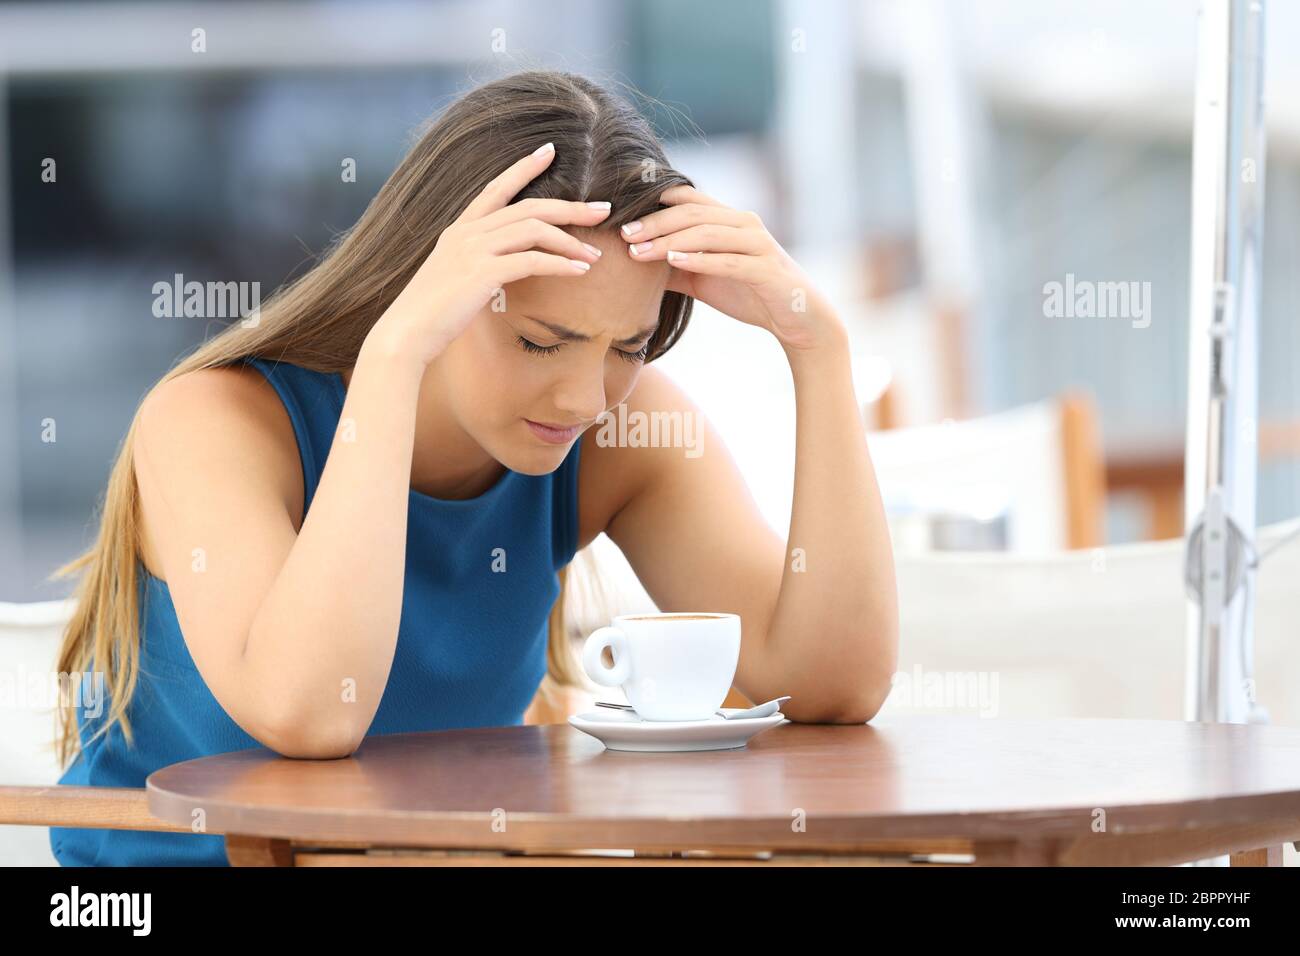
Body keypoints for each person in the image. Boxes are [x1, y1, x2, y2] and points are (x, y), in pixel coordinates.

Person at [48, 69, 898, 865]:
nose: (580, 398)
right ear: (431, 287)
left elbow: (828, 686)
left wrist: (817, 349)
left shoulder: (620, 429)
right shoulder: (218, 420)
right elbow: (312, 711)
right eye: (537, 341)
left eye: (627, 346)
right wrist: (394, 360)